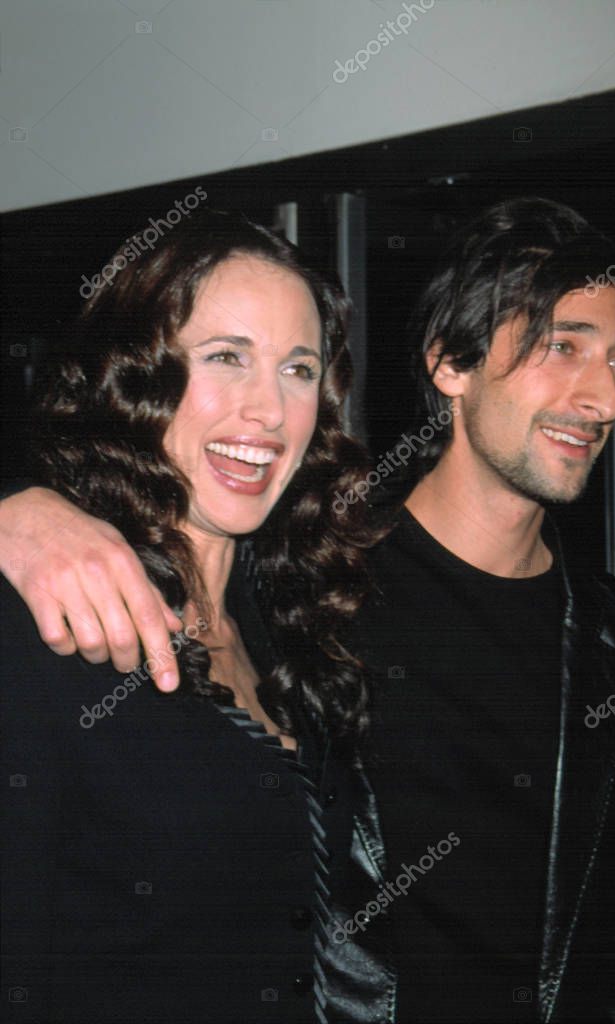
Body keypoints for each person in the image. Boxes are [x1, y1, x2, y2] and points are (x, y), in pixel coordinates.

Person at [2, 197, 615, 1023]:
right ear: (449, 366)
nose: (602, 398)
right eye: (561, 347)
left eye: (298, 368)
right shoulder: (315, 587)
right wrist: (20, 510)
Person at [0, 210, 395, 1024]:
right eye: (226, 358)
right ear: (136, 376)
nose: (268, 411)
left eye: (298, 369)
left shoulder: (297, 617)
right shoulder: (45, 619)